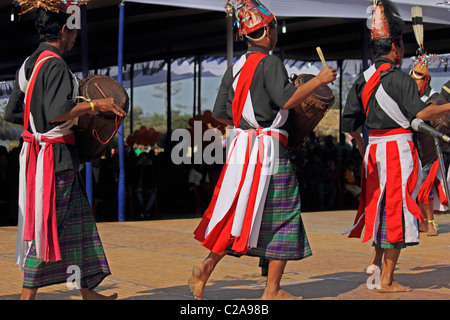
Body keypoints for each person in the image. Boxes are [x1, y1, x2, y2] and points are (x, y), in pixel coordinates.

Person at [189, 0, 336, 300]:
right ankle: (272, 290)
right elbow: (286, 100)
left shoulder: (236, 67)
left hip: (243, 148)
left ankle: (206, 267)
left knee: (242, 212)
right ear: (268, 30)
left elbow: (219, 112)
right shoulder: (270, 63)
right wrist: (319, 80)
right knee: (285, 214)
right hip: (270, 149)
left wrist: (248, 123)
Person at [5, 1, 126, 300]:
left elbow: (12, 112)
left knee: (78, 229)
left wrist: (38, 123)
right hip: (54, 161)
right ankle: (25, 298)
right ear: (63, 30)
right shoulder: (56, 64)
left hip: (42, 156)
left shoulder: (28, 64)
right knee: (46, 230)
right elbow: (60, 111)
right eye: (72, 31)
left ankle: (87, 292)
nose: (74, 37)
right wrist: (98, 105)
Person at [342, 0, 450, 293]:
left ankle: (376, 273)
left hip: (374, 153)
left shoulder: (361, 81)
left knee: (379, 212)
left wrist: (364, 149)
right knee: (397, 213)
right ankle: (386, 280)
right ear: (396, 47)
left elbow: (349, 123)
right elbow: (422, 113)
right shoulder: (401, 79)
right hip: (397, 152)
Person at [409, 59, 441, 236]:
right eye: (412, 78)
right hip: (413, 149)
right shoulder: (410, 96)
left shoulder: (434, 98)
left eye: (418, 79)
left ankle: (430, 222)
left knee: (424, 187)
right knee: (414, 187)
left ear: (426, 80)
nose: (415, 82)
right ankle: (421, 220)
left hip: (430, 150)